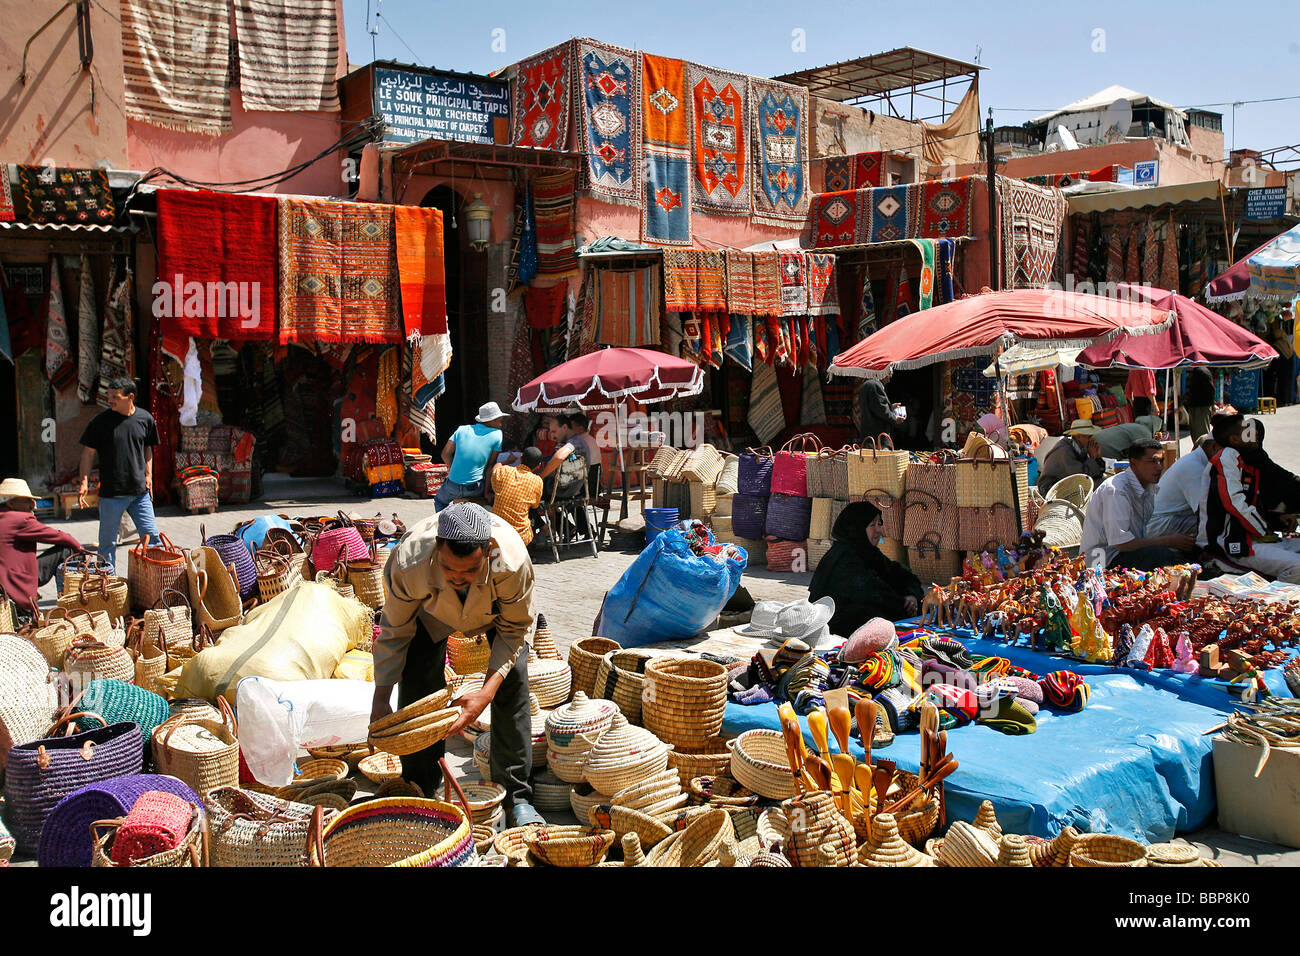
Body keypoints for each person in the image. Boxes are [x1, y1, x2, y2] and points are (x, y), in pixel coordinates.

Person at [371, 502, 543, 826]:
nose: (458, 578)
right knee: (418, 689)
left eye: (469, 571)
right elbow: (395, 633)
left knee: (512, 686)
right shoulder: (409, 561)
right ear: (437, 548)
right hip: (431, 615)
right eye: (449, 570)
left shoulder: (511, 560)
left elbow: (515, 630)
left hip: (495, 618)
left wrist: (486, 693)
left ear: (487, 550)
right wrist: (381, 698)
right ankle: (420, 787)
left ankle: (517, 797)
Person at [1200, 416, 1300, 582]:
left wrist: (1275, 518)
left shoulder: (1250, 459)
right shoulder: (1227, 457)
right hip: (1231, 543)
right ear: (1235, 439)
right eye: (1246, 430)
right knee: (1297, 566)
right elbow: (1234, 503)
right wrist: (1261, 529)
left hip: (1251, 537)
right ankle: (1275, 603)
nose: (1254, 432)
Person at [78, 377, 160, 572]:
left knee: (152, 537)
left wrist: (149, 475)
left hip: (140, 493)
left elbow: (148, 448)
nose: (110, 400)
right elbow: (88, 453)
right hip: (111, 495)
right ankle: (110, 585)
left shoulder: (145, 419)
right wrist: (83, 482)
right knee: (107, 544)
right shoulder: (100, 422)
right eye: (109, 395)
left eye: (115, 396)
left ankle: (157, 577)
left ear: (130, 397)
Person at [808, 500, 924, 637]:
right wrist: (905, 605)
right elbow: (874, 593)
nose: (878, 530)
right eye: (872, 525)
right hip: (839, 630)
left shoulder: (869, 553)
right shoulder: (844, 559)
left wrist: (911, 595)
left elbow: (901, 575)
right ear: (857, 528)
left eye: (879, 524)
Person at [1079, 438, 1195, 570]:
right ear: (1134, 464)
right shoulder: (1117, 491)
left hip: (1125, 552)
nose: (1159, 467)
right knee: (1162, 555)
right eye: (1152, 461)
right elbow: (1122, 544)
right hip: (1102, 561)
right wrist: (1169, 541)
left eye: (1161, 461)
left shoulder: (1148, 486)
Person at [0, 478, 85, 626]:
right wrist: (82, 550)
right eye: (27, 501)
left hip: (5, 580)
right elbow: (60, 536)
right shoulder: (20, 519)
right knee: (68, 549)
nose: (32, 505)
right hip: (14, 583)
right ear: (11, 503)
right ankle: (68, 602)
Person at [435, 402, 508, 512]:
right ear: (491, 420)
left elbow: (445, 454)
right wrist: (486, 492)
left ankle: (444, 525)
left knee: (440, 501)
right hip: (475, 488)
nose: (500, 425)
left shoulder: (461, 429)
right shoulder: (497, 434)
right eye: (499, 421)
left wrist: (451, 468)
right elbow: (490, 467)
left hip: (453, 485)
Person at [1148, 433, 1222, 539]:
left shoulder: (1197, 461)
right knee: (1219, 524)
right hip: (1161, 523)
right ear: (1214, 447)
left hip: (1168, 518)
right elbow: (1206, 511)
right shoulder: (1194, 467)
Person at [491, 447, 544, 545]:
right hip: (520, 536)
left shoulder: (504, 471)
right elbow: (535, 505)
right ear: (539, 466)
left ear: (521, 458)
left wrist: (506, 461)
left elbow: (495, 468)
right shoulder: (537, 481)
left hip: (497, 532)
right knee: (531, 512)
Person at [1037, 422, 1105, 493]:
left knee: (1102, 482)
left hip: (1067, 484)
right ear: (1079, 436)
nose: (1091, 439)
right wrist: (1092, 458)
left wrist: (1097, 457)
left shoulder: (1081, 449)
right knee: (1098, 485)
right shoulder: (1065, 450)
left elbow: (1096, 473)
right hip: (1050, 489)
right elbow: (1081, 477)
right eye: (1089, 437)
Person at [857, 377, 904, 445]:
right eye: (888, 376)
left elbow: (875, 406)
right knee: (881, 455)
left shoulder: (867, 384)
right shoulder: (875, 385)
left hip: (868, 434)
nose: (889, 380)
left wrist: (890, 408)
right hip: (877, 436)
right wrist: (895, 418)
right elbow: (881, 410)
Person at [1185, 366, 1215, 442]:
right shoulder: (1198, 371)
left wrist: (1212, 404)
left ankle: (1203, 450)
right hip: (1196, 406)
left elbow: (1210, 390)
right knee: (1196, 432)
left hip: (1201, 407)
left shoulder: (1201, 371)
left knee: (1201, 433)